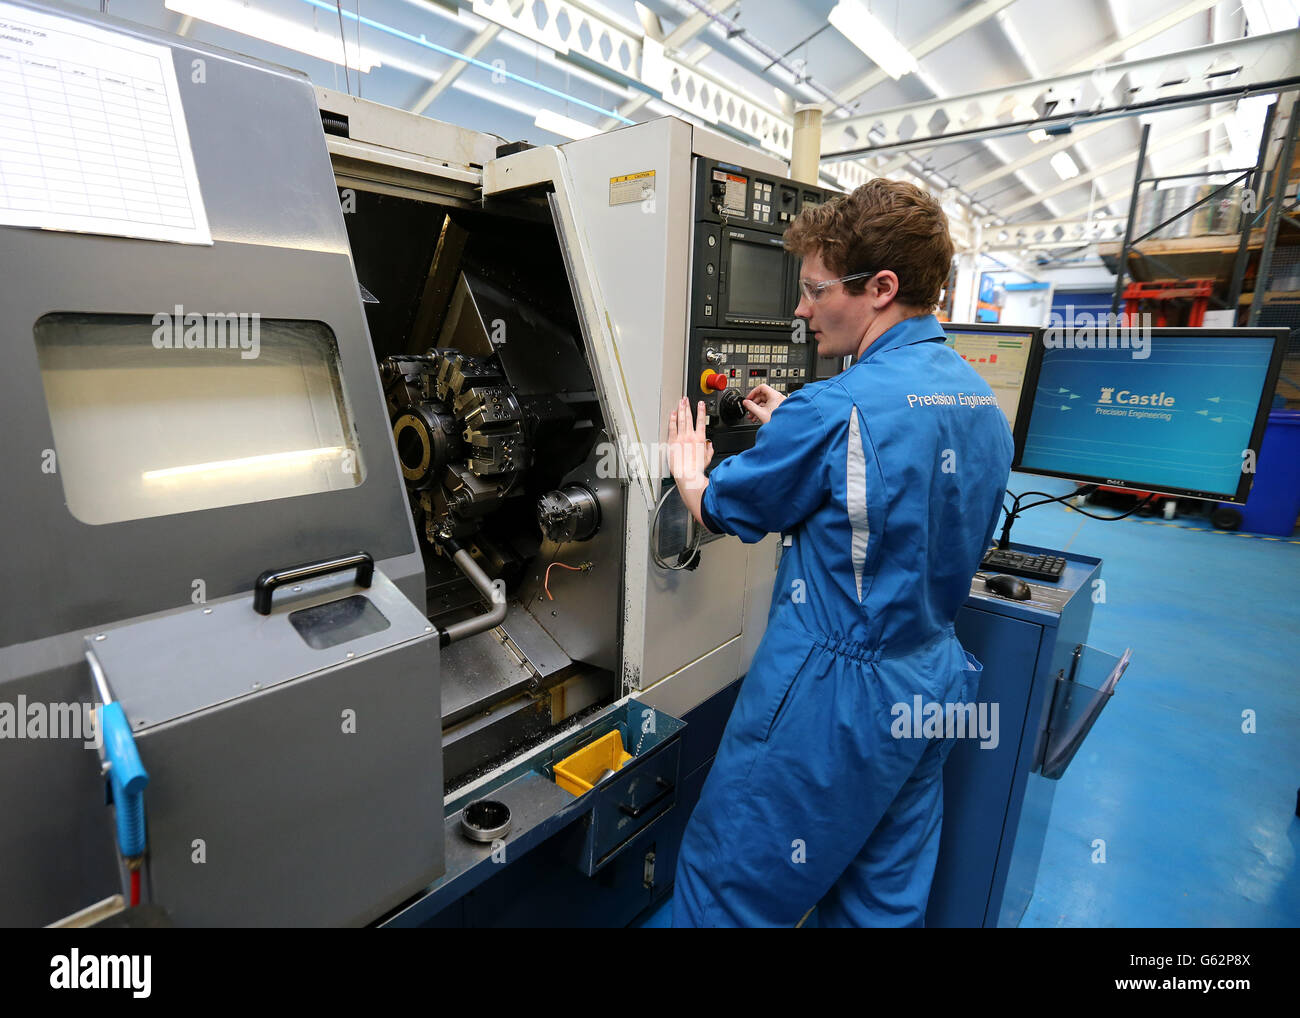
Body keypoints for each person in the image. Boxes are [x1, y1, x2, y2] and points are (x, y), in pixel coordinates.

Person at [665, 178, 1014, 927]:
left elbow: (730, 508)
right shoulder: (977, 399)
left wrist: (691, 472)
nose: (800, 309)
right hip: (930, 683)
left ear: (880, 288)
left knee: (728, 889)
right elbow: (887, 474)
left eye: (816, 290)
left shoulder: (834, 411)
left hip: (834, 703)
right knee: (879, 902)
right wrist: (801, 427)